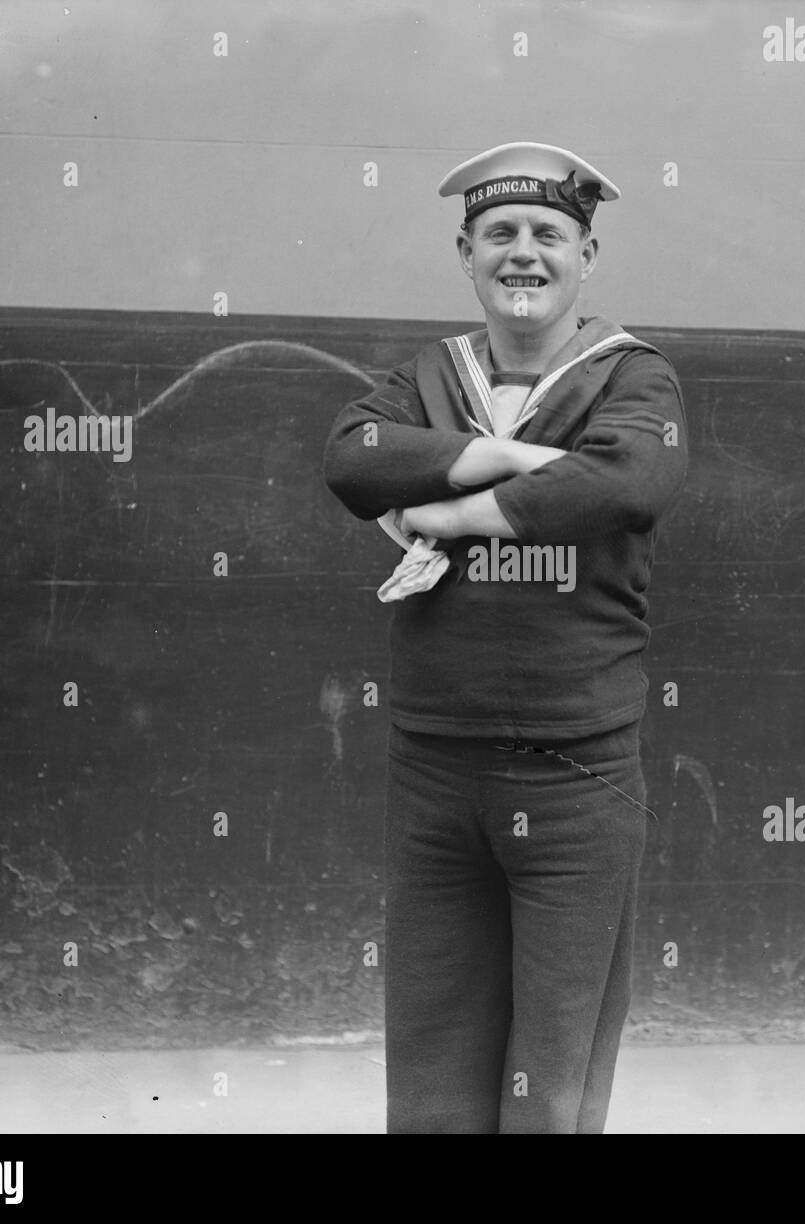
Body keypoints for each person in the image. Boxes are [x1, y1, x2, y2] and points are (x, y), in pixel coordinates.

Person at [322, 142, 688, 1133]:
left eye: (547, 235)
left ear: (586, 254)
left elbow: (630, 481)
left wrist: (447, 513)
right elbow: (353, 459)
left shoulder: (632, 380)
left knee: (553, 1069)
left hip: (578, 769)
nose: (522, 254)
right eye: (500, 235)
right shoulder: (427, 376)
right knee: (434, 1059)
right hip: (435, 767)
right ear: (467, 252)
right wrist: (515, 460)